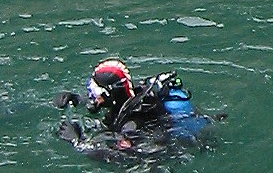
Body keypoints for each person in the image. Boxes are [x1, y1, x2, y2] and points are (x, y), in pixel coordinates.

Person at [54, 58, 221, 158]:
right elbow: (109, 98)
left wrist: (77, 142)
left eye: (94, 92)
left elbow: (124, 156)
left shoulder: (131, 125)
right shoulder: (131, 94)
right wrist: (76, 99)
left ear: (110, 94)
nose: (91, 97)